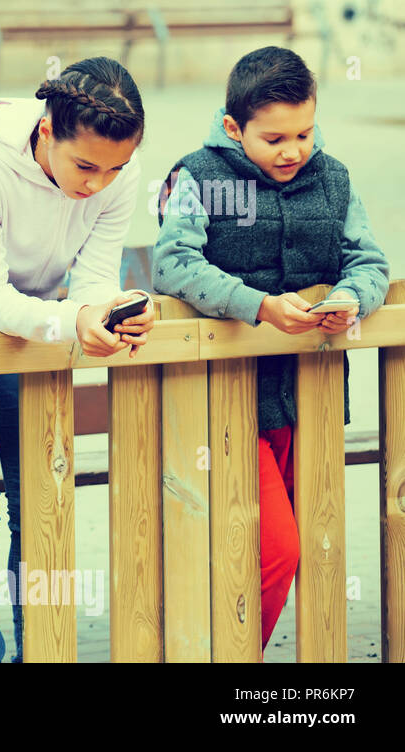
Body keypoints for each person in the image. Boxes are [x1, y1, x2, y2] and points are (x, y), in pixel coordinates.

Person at [153, 46, 389, 653]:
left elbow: (369, 260)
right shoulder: (196, 176)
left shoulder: (332, 177)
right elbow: (174, 265)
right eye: (275, 138)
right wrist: (257, 306)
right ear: (233, 127)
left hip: (308, 402)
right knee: (276, 551)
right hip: (224, 406)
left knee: (310, 542)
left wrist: (350, 297)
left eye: (305, 133)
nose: (293, 151)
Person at [0, 56, 153, 662]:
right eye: (85, 166)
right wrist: (71, 321)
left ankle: (40, 651)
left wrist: (120, 309)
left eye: (116, 169)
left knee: (37, 493)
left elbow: (97, 277)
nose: (97, 184)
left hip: (34, 330)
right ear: (47, 131)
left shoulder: (114, 173)